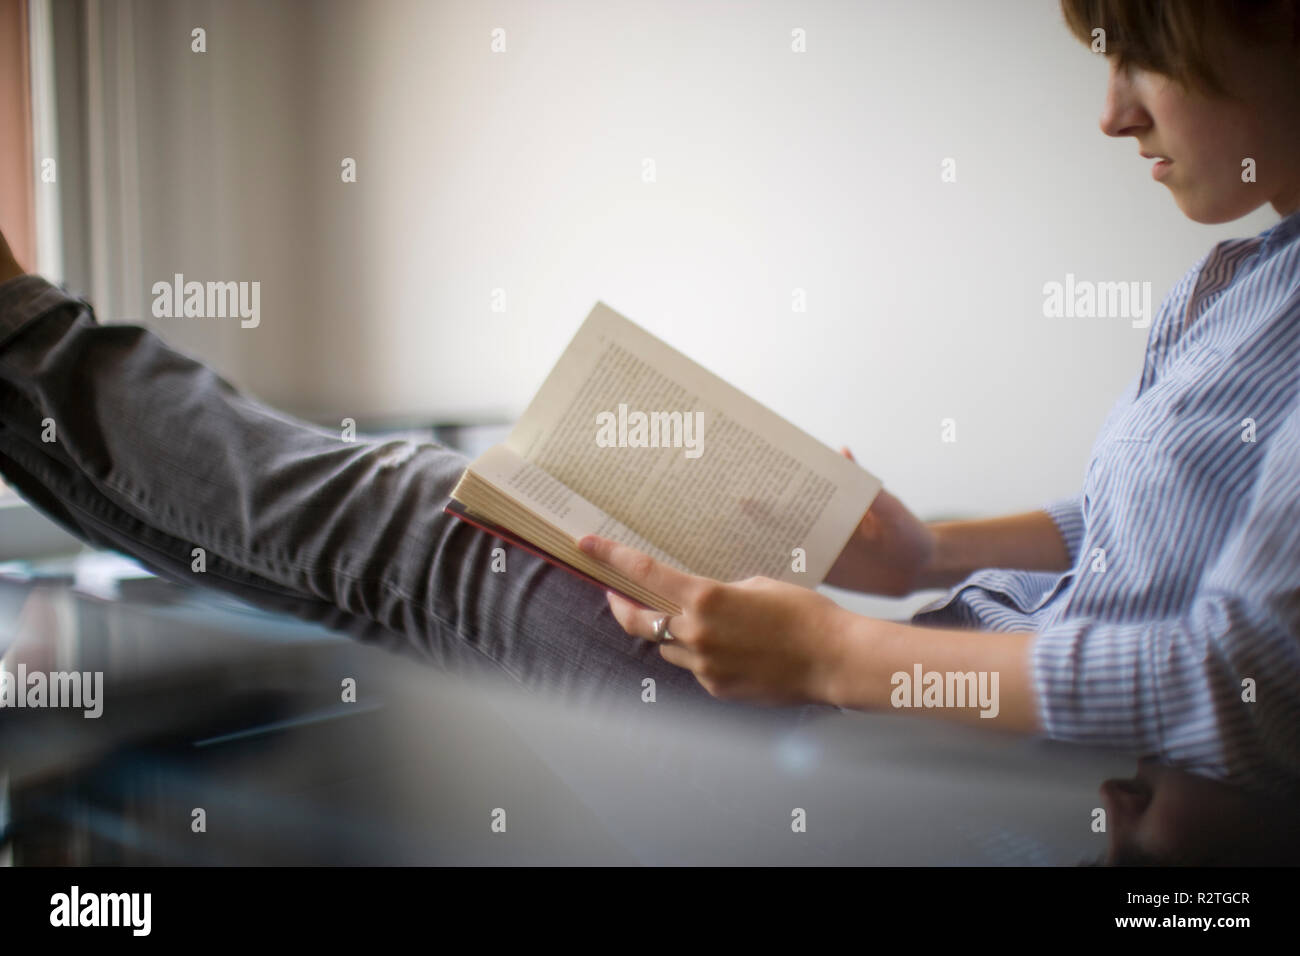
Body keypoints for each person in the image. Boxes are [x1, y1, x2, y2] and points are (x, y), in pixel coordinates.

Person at [0, 0, 1297, 799]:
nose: (1112, 113)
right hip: (928, 668)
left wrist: (839, 652)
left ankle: (26, 341)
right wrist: (920, 549)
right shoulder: (1239, 277)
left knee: (434, 523)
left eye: (1139, 46)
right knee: (449, 523)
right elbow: (1133, 534)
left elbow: (1244, 684)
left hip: (930, 754)